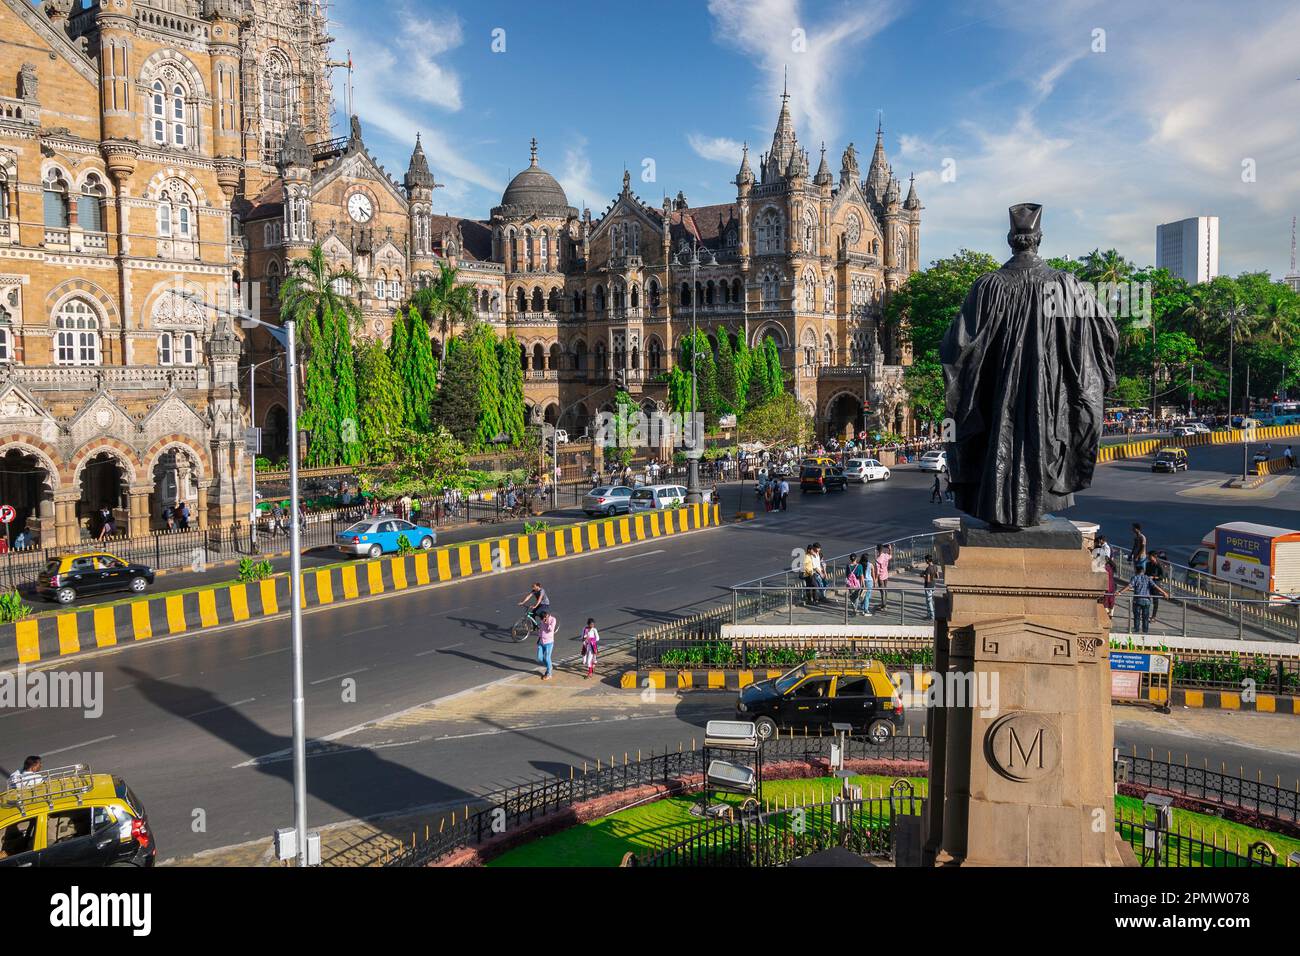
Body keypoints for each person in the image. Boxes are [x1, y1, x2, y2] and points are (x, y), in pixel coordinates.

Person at [1117, 563, 1168, 634]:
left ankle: (1137, 630)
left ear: (1136, 571)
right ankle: (1145, 631)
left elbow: (1129, 586)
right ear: (1143, 571)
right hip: (1147, 600)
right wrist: (1164, 593)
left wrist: (1120, 592)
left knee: (1137, 616)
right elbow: (1155, 586)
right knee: (1145, 617)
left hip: (1138, 600)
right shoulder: (1147, 578)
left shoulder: (1135, 577)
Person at [536, 611, 557, 680]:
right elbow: (541, 630)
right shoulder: (542, 620)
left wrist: (547, 623)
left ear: (546, 616)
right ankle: (550, 666)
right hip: (541, 642)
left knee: (547, 657)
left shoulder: (553, 619)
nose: (541, 620)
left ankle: (549, 673)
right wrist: (539, 638)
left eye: (542, 619)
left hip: (549, 642)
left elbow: (551, 630)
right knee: (539, 658)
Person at [873, 543, 892, 611]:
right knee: (885, 589)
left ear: (877, 550)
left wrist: (875, 580)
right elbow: (890, 556)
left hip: (880, 576)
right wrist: (890, 549)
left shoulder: (878, 560)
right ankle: (885, 603)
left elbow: (877, 572)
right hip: (886, 574)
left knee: (882, 591)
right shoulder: (885, 555)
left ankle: (883, 605)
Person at [922, 554, 939, 621]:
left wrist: (922, 575)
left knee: (929, 601)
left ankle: (931, 616)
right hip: (933, 585)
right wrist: (932, 577)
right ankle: (929, 615)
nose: (925, 561)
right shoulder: (935, 566)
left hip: (928, 586)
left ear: (927, 560)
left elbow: (928, 580)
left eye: (925, 560)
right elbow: (937, 576)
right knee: (930, 600)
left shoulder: (928, 568)